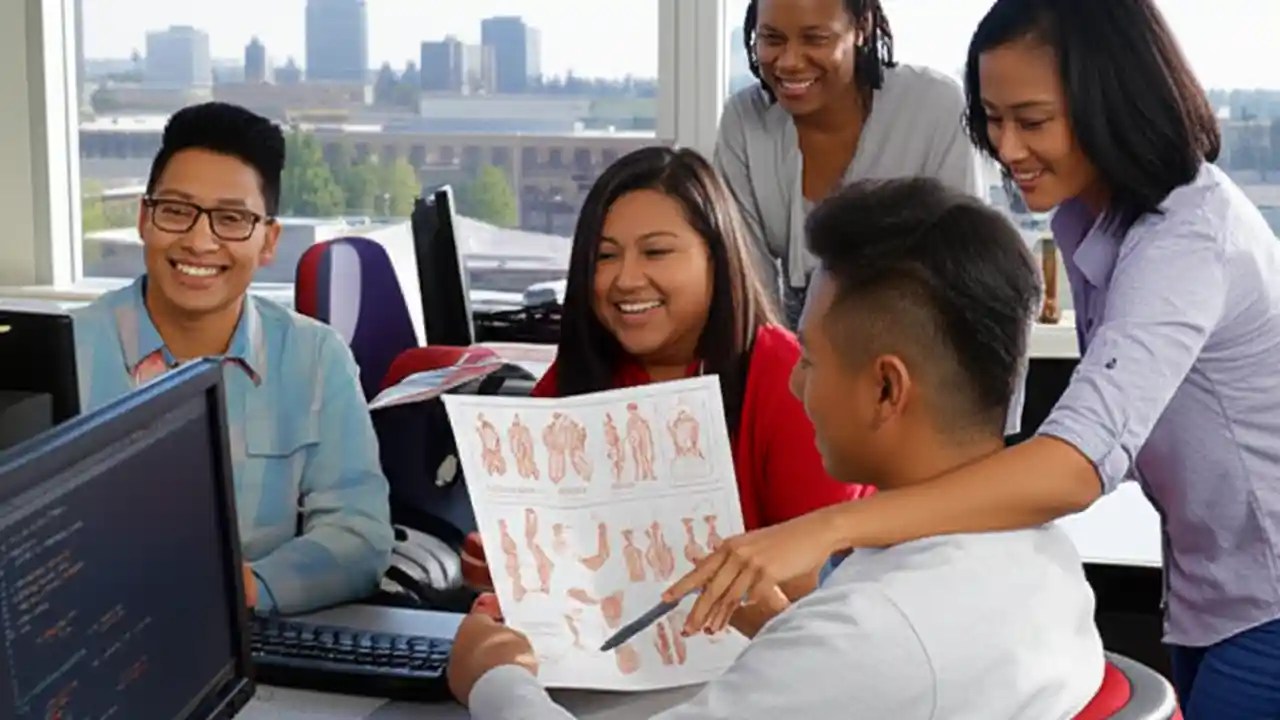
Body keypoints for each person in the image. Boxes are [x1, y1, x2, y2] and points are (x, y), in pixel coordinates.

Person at [669, 1, 1280, 717]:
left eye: (1032, 119)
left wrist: (825, 527)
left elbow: (1079, 462)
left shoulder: (1187, 240)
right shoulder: (1093, 218)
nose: (1007, 147)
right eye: (992, 119)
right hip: (1209, 584)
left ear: (1109, 102)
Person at [445, 177, 1106, 719]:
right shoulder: (1043, 555)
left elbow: (860, 663)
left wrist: (496, 679)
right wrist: (780, 627)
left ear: (884, 389)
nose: (795, 380)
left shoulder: (873, 631)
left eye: (812, 362)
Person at [464, 146, 868, 605]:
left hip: (766, 658)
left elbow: (808, 587)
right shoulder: (577, 376)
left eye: (656, 252)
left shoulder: (788, 378)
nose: (626, 279)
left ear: (716, 257)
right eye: (605, 257)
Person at [73, 102, 394, 614]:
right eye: (176, 210)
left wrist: (244, 590)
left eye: (231, 219)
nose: (200, 241)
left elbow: (359, 535)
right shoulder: (67, 350)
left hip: (253, 639)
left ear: (268, 241)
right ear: (143, 218)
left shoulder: (316, 358)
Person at [715, 0, 984, 326]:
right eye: (772, 39)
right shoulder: (743, 120)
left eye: (815, 39)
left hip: (916, 333)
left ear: (862, 27)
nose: (788, 62)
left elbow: (966, 266)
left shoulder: (934, 108)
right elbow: (750, 285)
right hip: (791, 342)